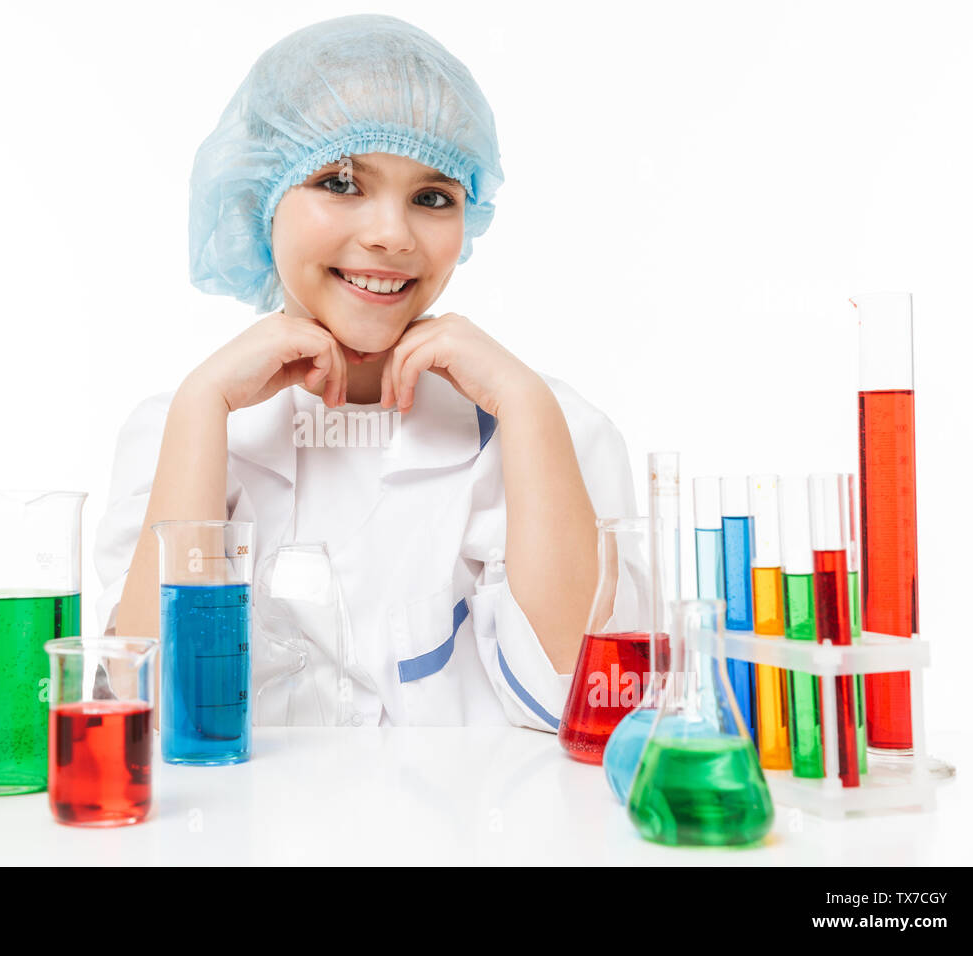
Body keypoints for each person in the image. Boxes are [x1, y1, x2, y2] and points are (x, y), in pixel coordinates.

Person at [94, 14, 635, 733]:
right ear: (260, 198)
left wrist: (527, 408)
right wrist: (202, 409)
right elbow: (143, 715)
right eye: (341, 182)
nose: (391, 233)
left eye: (433, 197)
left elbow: (589, 707)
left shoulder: (547, 425)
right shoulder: (181, 427)